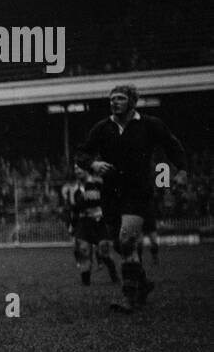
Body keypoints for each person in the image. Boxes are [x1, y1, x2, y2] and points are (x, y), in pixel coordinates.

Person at [75, 84, 186, 312]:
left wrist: (182, 170)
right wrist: (93, 163)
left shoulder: (149, 124)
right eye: (112, 98)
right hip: (111, 194)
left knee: (126, 240)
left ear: (132, 102)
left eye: (120, 98)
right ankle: (142, 283)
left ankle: (129, 297)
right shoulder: (102, 128)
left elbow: (172, 145)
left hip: (137, 191)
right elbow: (81, 153)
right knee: (121, 246)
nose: (114, 102)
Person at [63, 166, 118, 286]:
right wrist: (72, 225)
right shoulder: (74, 189)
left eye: (80, 168)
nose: (77, 171)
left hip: (99, 222)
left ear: (87, 169)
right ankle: (85, 283)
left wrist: (106, 214)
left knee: (104, 252)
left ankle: (114, 277)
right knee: (84, 251)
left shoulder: (98, 183)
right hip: (83, 223)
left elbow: (109, 199)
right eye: (76, 169)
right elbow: (73, 209)